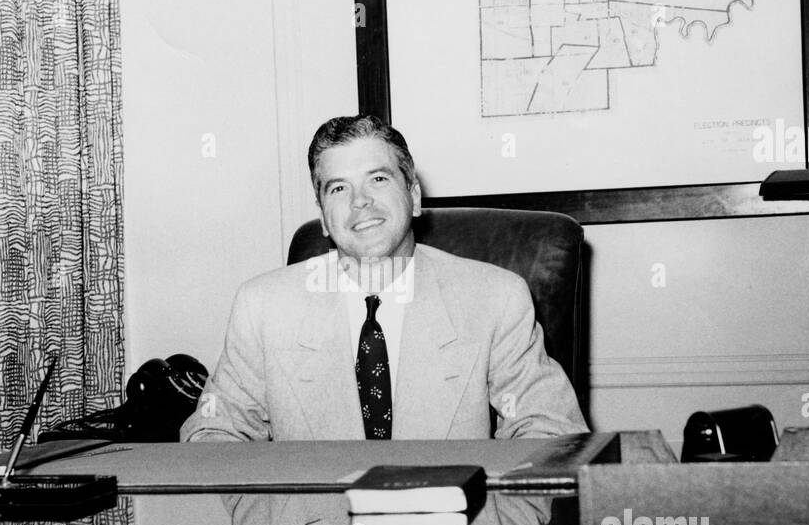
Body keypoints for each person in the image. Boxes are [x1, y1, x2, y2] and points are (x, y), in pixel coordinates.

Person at [180, 114, 588, 441]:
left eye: (378, 179)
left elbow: (550, 430)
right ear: (323, 216)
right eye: (338, 189)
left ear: (413, 196)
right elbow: (217, 428)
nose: (360, 202)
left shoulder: (495, 299)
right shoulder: (264, 306)